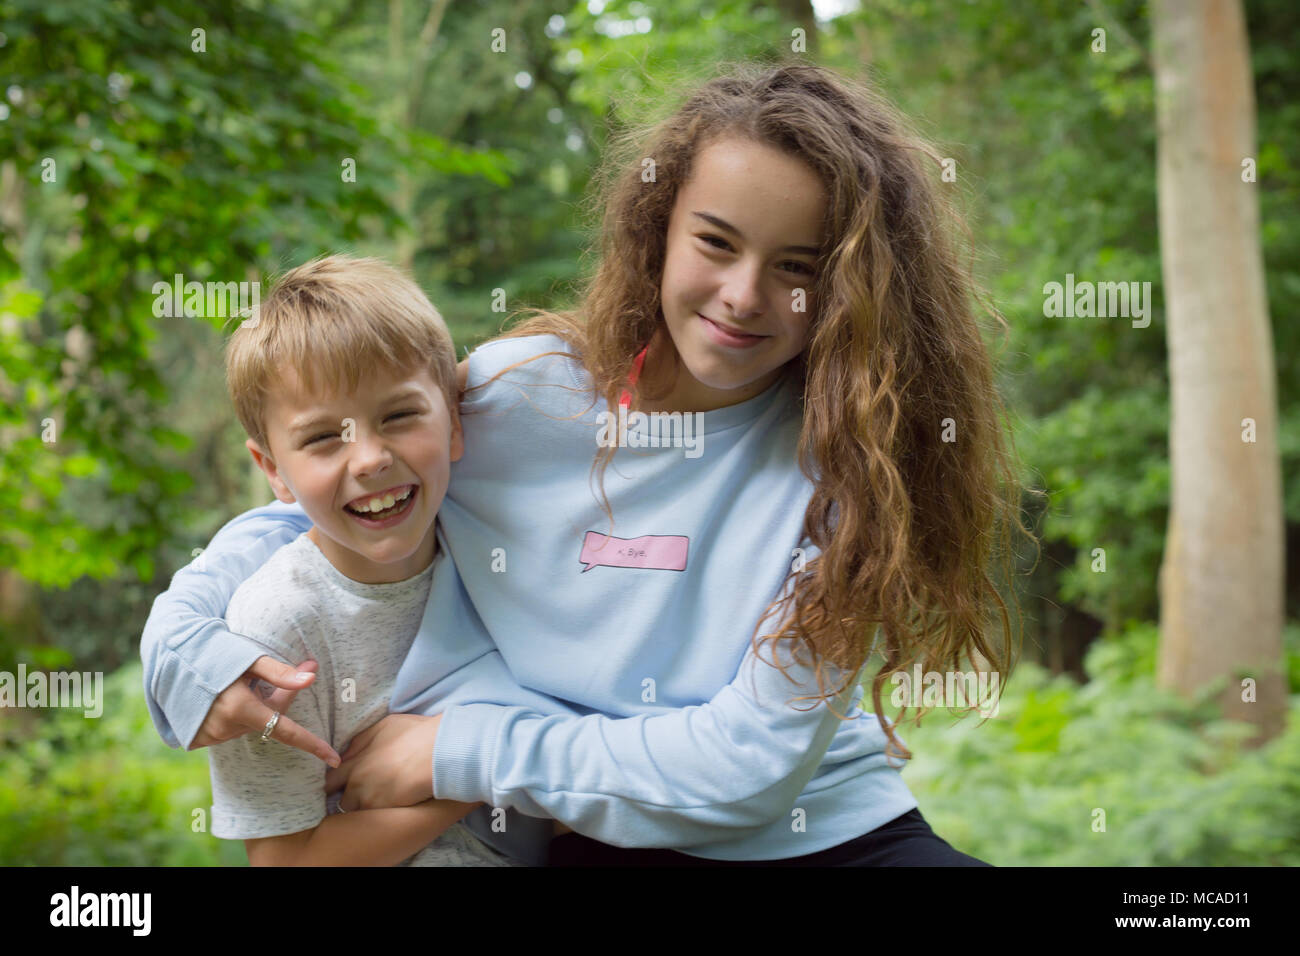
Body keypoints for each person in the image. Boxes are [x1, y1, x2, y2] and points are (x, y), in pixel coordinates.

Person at [141, 61, 1029, 866]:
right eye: (715, 242)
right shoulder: (517, 399)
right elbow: (320, 504)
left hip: (832, 832)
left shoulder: (852, 461)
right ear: (658, 230)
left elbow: (749, 772)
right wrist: (181, 651)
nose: (744, 294)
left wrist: (455, 752)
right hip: (597, 834)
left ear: (848, 283)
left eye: (796, 266)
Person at [198, 254, 527, 866]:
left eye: (399, 416)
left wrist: (474, 756)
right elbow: (284, 859)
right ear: (273, 469)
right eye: (324, 438)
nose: (370, 458)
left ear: (454, 421)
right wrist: (461, 780)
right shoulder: (275, 628)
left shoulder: (501, 553)